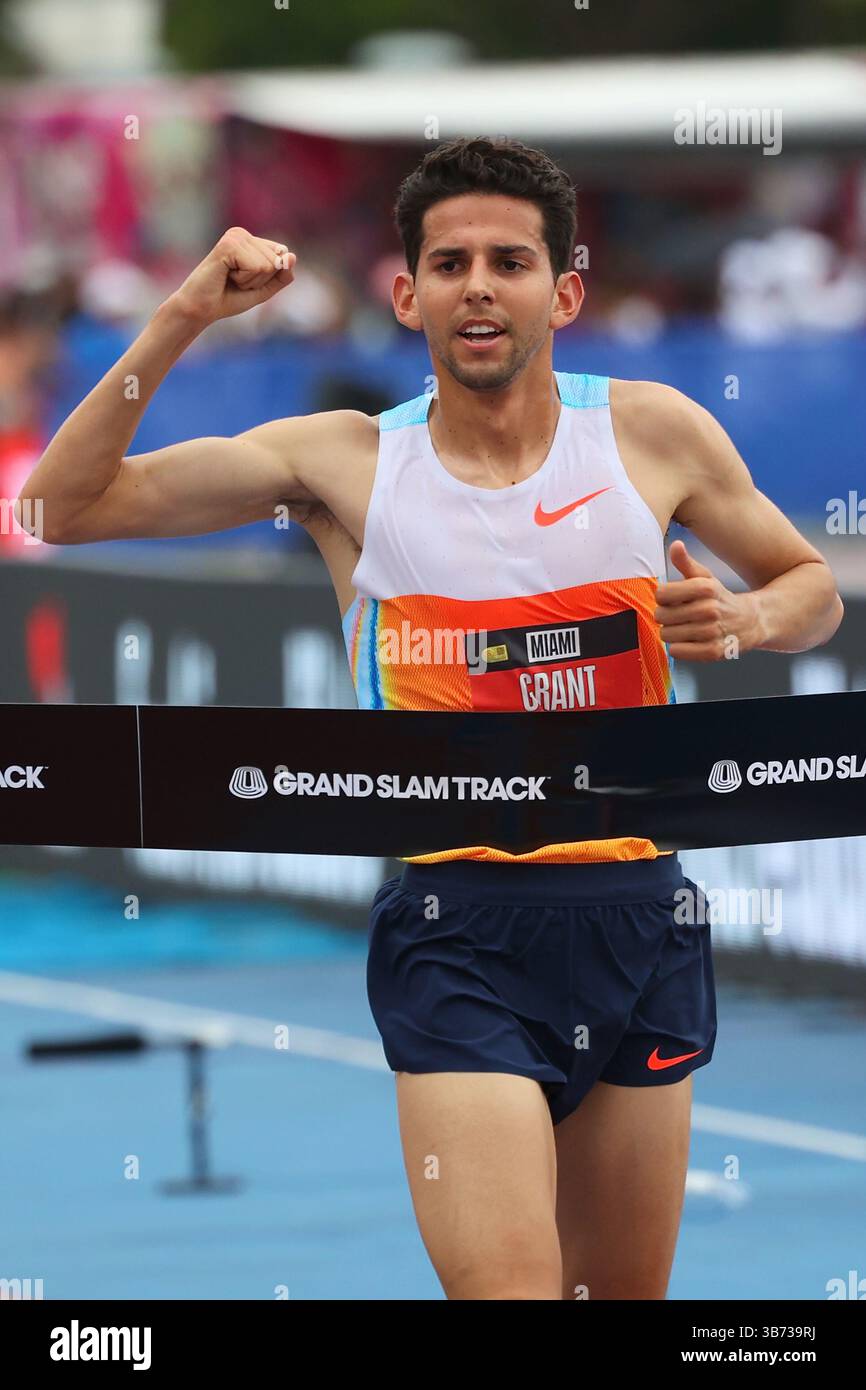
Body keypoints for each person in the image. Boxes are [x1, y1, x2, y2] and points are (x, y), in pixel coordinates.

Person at [17, 136, 844, 1301]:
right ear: (406, 295)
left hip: (635, 912)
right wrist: (187, 312)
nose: (477, 286)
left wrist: (746, 621)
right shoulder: (346, 464)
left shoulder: (653, 434)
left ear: (563, 290)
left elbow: (810, 588)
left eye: (509, 261)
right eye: (447, 262)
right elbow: (57, 506)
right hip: (460, 929)